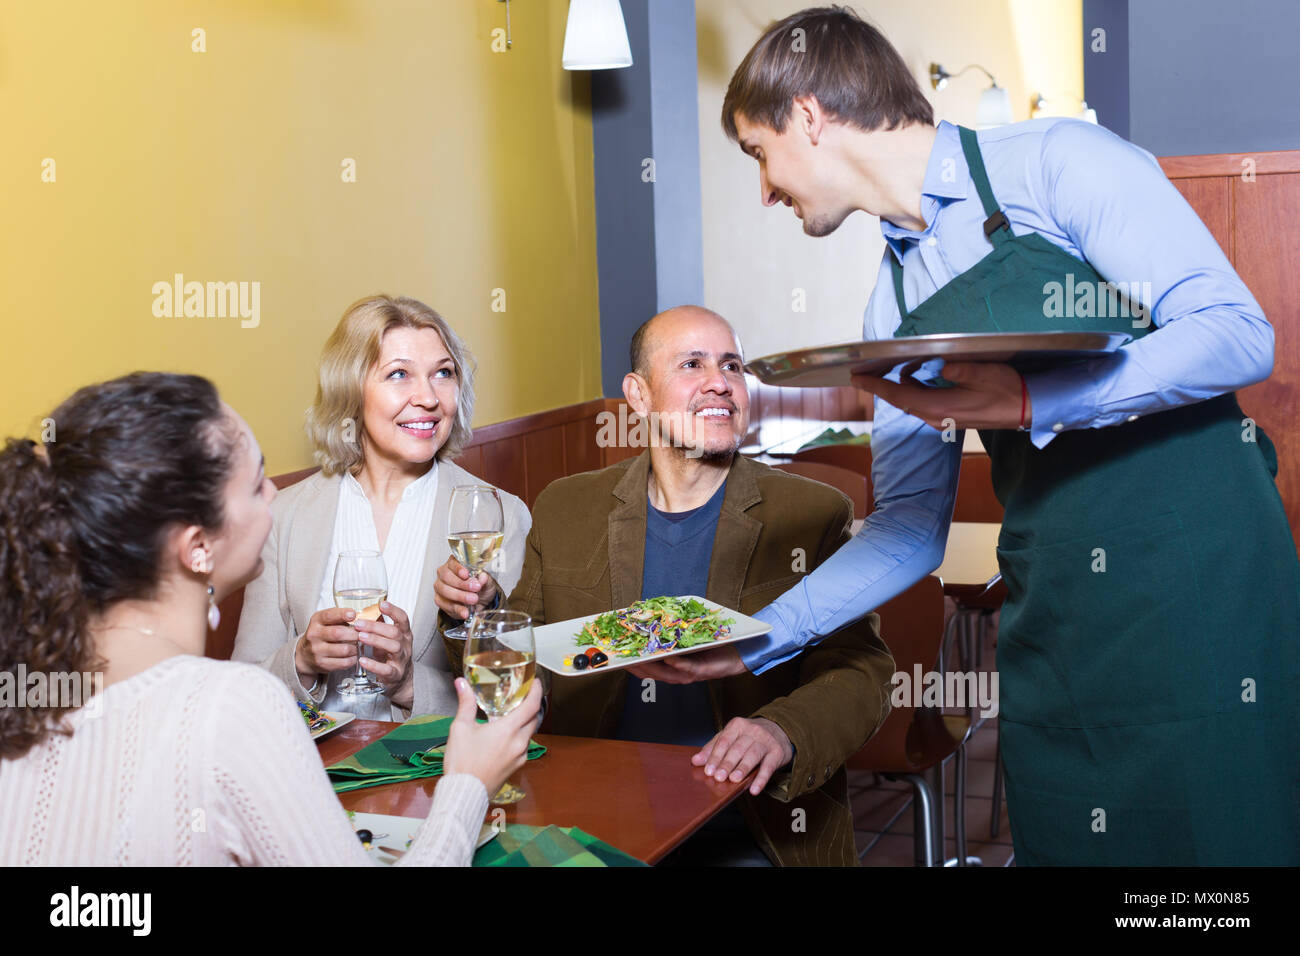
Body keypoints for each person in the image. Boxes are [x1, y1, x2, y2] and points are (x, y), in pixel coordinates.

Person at [657, 6, 1300, 866]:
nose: (764, 190)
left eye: (756, 153)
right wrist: (759, 633)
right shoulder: (889, 307)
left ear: (807, 114)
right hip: (1061, 606)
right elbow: (908, 529)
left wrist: (1035, 402)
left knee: (1221, 840)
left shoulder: (1058, 162)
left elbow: (1235, 331)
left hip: (1199, 576)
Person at [0, 372, 541, 865]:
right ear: (197, 547)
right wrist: (468, 782)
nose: (275, 492)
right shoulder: (230, 708)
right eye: (257, 481)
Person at [436, 306, 895, 866]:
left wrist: (783, 731)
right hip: (594, 819)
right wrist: (478, 614)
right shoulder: (565, 508)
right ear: (639, 394)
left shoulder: (811, 513)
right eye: (691, 364)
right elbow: (517, 662)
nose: (719, 383)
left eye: (731, 365)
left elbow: (863, 670)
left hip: (751, 828)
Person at [233, 295, 530, 721]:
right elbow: (241, 688)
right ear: (351, 390)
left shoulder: (499, 517)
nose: (428, 397)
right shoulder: (285, 516)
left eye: (442, 373)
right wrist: (301, 660)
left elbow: (518, 706)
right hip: (310, 771)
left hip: (434, 778)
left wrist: (409, 684)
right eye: (399, 375)